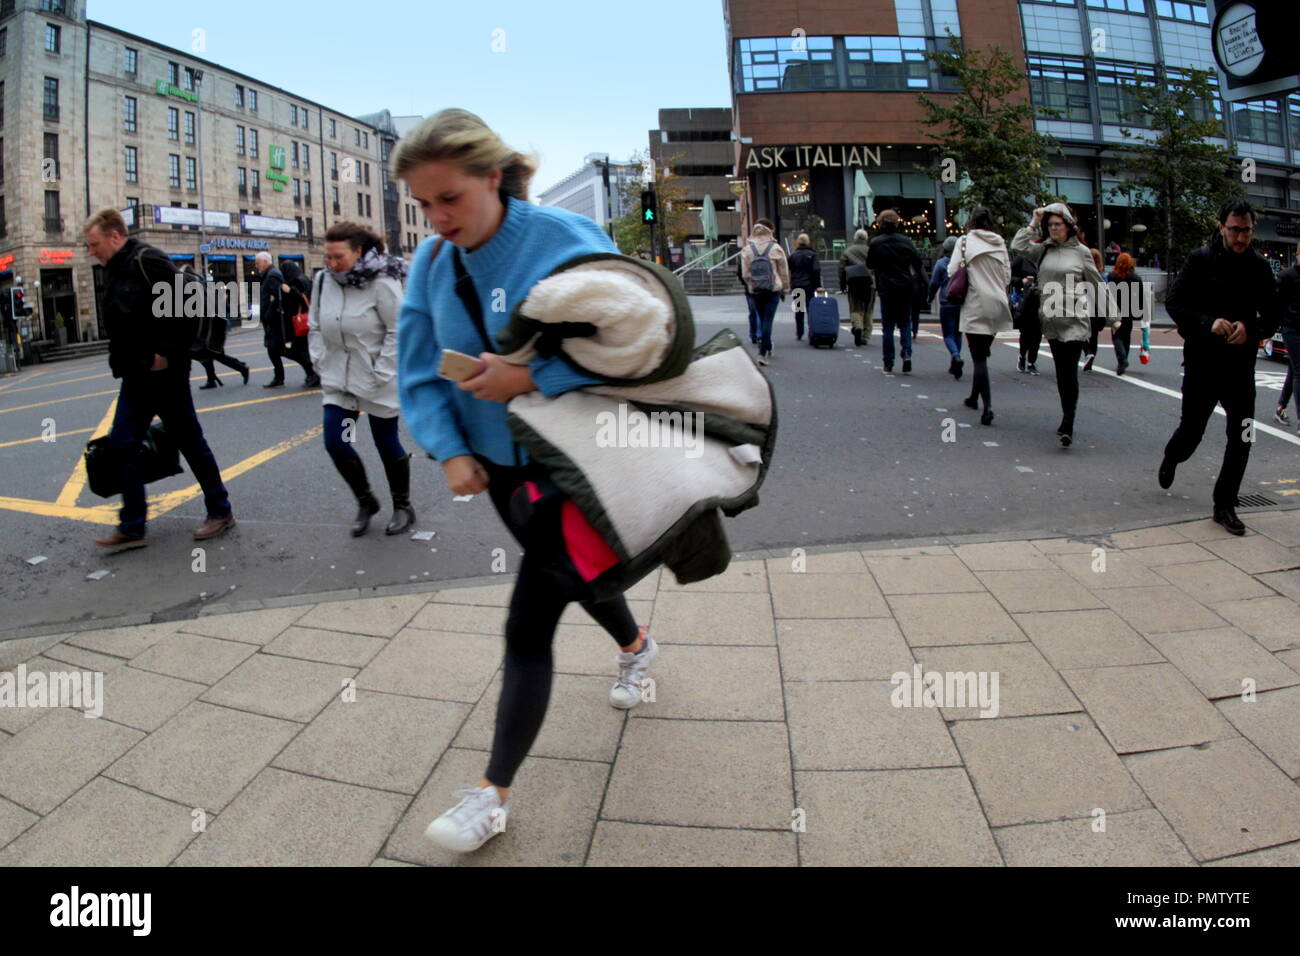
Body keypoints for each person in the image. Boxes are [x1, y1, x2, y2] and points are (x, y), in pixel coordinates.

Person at [394, 108, 656, 853]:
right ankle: (637, 647)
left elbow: (643, 340)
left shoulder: (564, 241)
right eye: (423, 205)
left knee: (528, 622)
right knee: (581, 581)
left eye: (451, 198)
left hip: (578, 463)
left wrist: (530, 373)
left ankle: (491, 794)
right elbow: (419, 370)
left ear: (493, 177)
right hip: (502, 472)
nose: (438, 218)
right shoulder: (431, 265)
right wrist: (448, 449)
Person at [82, 208, 236, 550]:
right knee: (122, 443)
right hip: (135, 376)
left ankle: (220, 510)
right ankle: (133, 525)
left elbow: (186, 306)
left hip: (164, 375)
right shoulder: (114, 269)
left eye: (94, 244)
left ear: (115, 237)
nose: (90, 251)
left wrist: (163, 355)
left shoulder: (147, 261)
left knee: (190, 441)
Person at [1159, 199, 1280, 534]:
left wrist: (1251, 330)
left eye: (1247, 231)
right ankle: (1173, 456)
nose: (1241, 238)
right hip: (1202, 364)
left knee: (1243, 437)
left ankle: (1224, 504)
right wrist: (1207, 323)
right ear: (1221, 226)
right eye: (1235, 230)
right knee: (1191, 431)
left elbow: (1272, 315)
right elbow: (1175, 303)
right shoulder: (1200, 260)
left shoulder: (1259, 267)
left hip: (1239, 369)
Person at [307, 223, 414, 537]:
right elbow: (315, 325)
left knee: (385, 442)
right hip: (339, 379)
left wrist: (382, 372)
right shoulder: (323, 280)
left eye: (338, 256)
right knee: (338, 442)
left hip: (377, 378)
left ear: (358, 251)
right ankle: (366, 501)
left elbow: (399, 329)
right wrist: (320, 361)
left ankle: (403, 505)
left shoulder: (381, 282)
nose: (331, 263)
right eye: (327, 256)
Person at [1011, 202, 1108, 446]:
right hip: (1051, 320)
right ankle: (1067, 415)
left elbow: (1097, 284)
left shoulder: (1082, 252)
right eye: (1050, 224)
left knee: (1069, 374)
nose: (1053, 228)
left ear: (1068, 226)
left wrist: (1114, 317)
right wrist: (1034, 222)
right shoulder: (1044, 249)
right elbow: (1018, 246)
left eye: (1058, 224)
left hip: (1075, 319)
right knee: (1061, 373)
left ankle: (1068, 422)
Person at [956, 208, 1012, 425]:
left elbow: (953, 270)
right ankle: (972, 397)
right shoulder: (1000, 243)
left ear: (971, 222)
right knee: (983, 353)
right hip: (997, 302)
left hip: (974, 302)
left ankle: (987, 406)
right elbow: (1006, 275)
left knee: (979, 358)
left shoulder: (964, 242)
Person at [867, 209, 924, 374]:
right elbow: (918, 262)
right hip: (904, 286)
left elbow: (870, 264)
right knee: (905, 323)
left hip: (886, 287)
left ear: (881, 223)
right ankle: (906, 352)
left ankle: (888, 360)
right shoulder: (905, 241)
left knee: (888, 327)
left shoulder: (876, 242)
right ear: (896, 223)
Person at [255, 251, 320, 388]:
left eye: (258, 263)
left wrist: (283, 295)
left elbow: (295, 298)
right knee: (280, 350)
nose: (256, 266)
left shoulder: (277, 277)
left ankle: (312, 373)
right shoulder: (277, 276)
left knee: (292, 351)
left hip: (291, 321)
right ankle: (304, 374)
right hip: (290, 321)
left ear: (266, 261)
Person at [188, 264, 250, 389]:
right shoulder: (201, 284)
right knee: (203, 353)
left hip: (212, 327)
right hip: (209, 326)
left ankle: (242, 368)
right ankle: (212, 379)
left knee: (215, 354)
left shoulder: (198, 286)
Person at [741, 218, 790, 366]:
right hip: (773, 289)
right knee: (768, 320)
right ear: (769, 231)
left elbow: (744, 274)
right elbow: (784, 271)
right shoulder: (775, 248)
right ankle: (762, 353)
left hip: (756, 290)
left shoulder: (747, 250)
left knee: (762, 319)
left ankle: (766, 346)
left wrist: (751, 285)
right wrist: (785, 289)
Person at [928, 234, 963, 379]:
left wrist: (930, 297)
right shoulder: (963, 263)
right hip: (961, 302)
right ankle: (956, 358)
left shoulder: (942, 263)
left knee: (948, 334)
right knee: (958, 333)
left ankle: (955, 356)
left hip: (947, 302)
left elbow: (934, 283)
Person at [1105, 253, 1144, 376]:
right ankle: (1124, 359)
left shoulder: (1111, 277)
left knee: (1116, 336)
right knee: (1126, 336)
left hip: (1115, 309)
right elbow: (1140, 297)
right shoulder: (1136, 278)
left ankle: (1122, 360)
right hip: (1130, 310)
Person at [1274, 245, 1300, 430]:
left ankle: (1281, 407)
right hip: (1291, 329)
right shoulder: (1286, 276)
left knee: (1294, 369)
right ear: (1297, 255)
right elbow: (1276, 303)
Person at [1077, 229, 1107, 372]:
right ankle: (1091, 357)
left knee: (1081, 331)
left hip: (1083, 304)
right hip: (1097, 307)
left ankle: (1087, 352)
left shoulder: (1083, 271)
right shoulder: (1102, 275)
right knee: (1094, 335)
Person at [839, 228, 874, 346]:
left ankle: (857, 326)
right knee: (868, 309)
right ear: (866, 238)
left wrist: (842, 285)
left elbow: (841, 268)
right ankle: (865, 335)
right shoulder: (870, 251)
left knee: (855, 308)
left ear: (855, 238)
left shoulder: (848, 251)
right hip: (870, 284)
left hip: (854, 284)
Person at [1012, 251, 1042, 374]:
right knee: (1026, 332)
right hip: (1025, 301)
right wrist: (1022, 281)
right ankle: (1022, 356)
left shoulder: (1044, 257)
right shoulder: (1021, 259)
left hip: (1041, 299)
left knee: (1038, 332)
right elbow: (1010, 277)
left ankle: (1031, 362)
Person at [788, 233, 820, 342]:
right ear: (808, 242)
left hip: (797, 285)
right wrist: (818, 285)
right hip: (809, 285)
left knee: (799, 310)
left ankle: (799, 332)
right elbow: (816, 270)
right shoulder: (812, 254)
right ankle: (812, 331)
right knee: (811, 309)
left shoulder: (793, 255)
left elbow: (790, 269)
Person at [736, 239, 760, 345]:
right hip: (763, 287)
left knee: (752, 312)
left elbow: (740, 272)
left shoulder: (745, 253)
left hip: (750, 289)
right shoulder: (765, 252)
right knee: (761, 313)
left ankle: (753, 335)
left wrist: (746, 284)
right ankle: (760, 335)